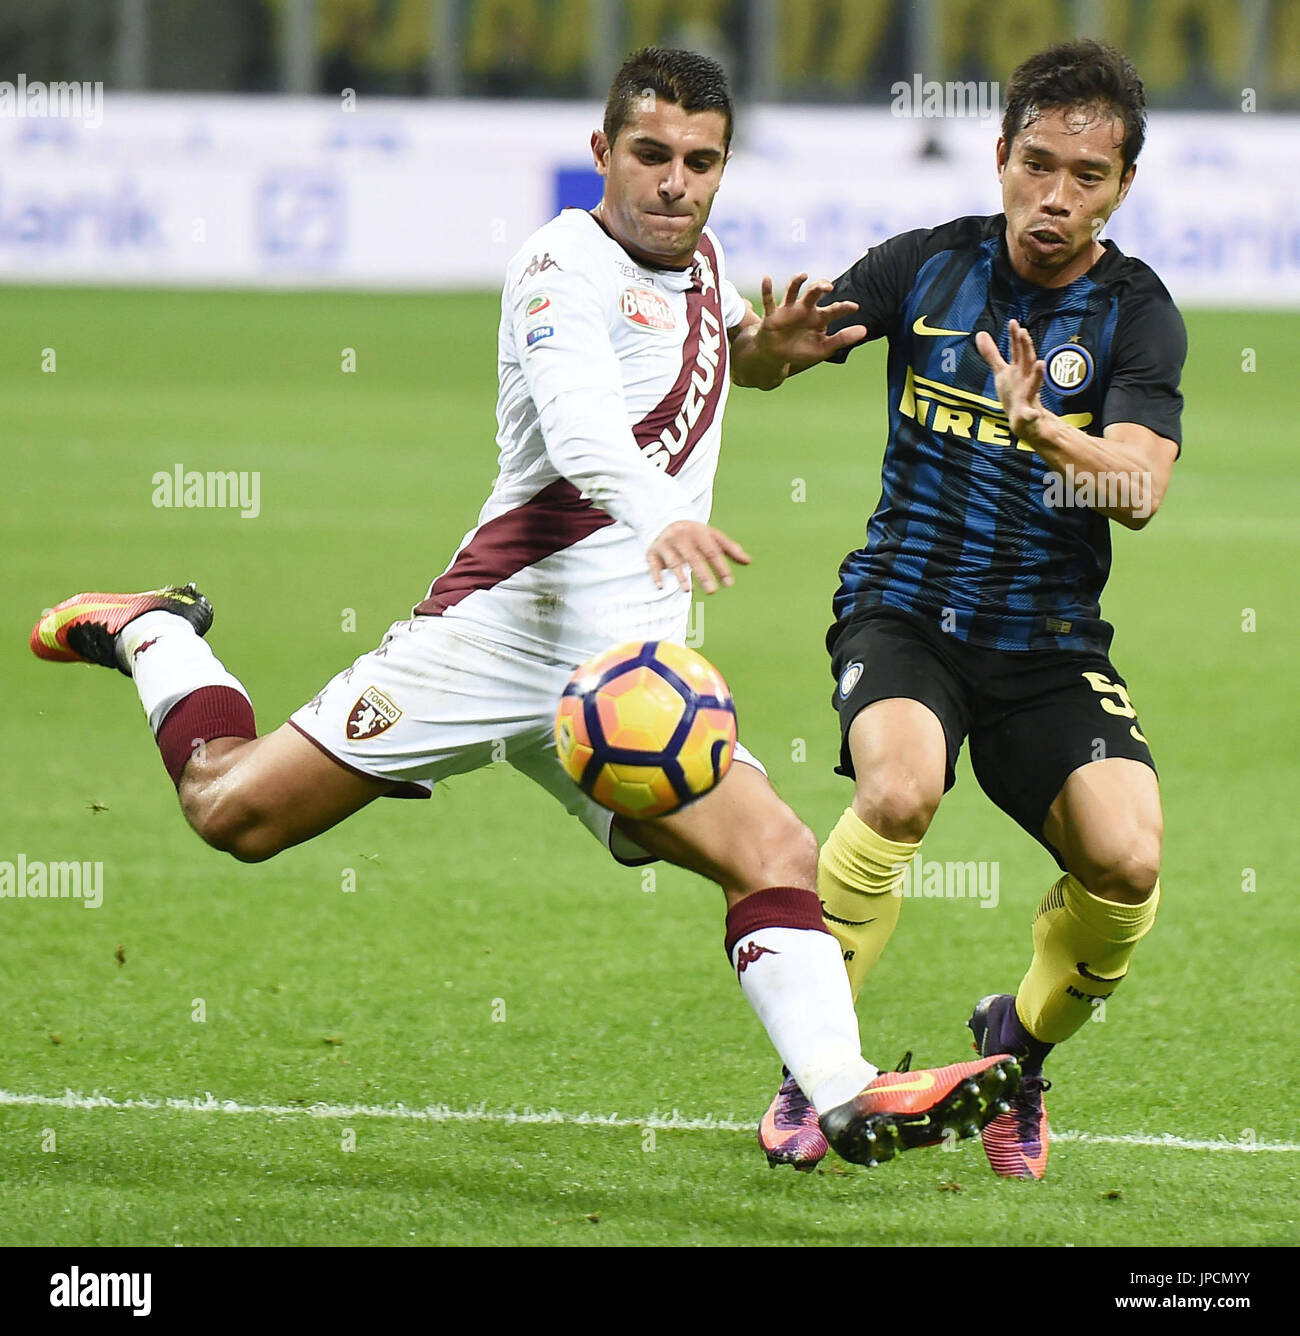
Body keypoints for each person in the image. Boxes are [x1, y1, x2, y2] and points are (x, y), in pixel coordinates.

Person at [30, 47, 1018, 1168]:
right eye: (649, 155)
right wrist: (656, 515)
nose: (673, 182)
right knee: (233, 814)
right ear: (601, 153)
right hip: (494, 639)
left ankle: (843, 1095)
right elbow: (584, 420)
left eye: (699, 161)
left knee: (776, 851)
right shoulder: (558, 265)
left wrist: (768, 354)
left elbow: (711, 353)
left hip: (624, 693)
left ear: (723, 168)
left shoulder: (702, 263)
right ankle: (152, 628)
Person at [749, 39, 1185, 1178]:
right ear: (997, 156)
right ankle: (820, 1068)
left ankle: (1017, 1048)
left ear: (1121, 185)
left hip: (1047, 641)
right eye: (1036, 164)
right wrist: (764, 352)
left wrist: (1045, 429)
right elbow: (770, 360)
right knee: (898, 789)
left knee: (1128, 862)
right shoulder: (926, 268)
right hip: (903, 608)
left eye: (1085, 177)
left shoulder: (1136, 313)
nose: (1054, 197)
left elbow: (1136, 488)